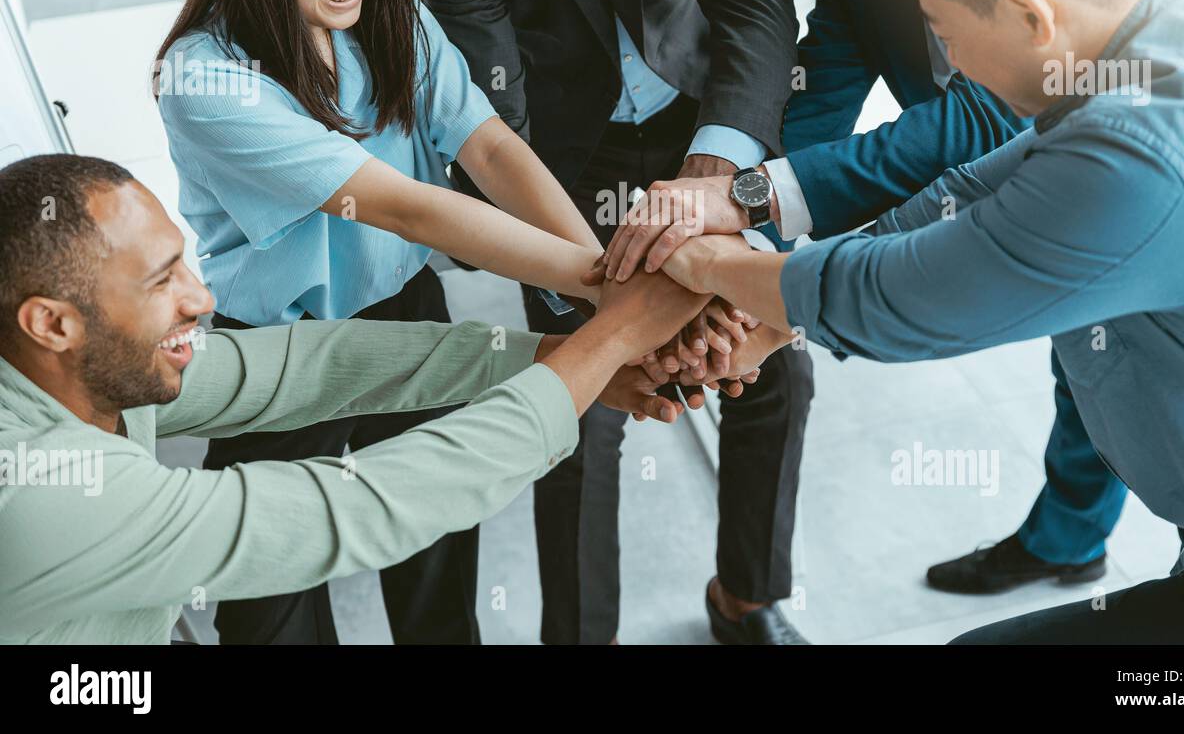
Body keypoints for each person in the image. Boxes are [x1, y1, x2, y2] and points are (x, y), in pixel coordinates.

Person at [626, 0, 1184, 643]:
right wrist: (766, 307)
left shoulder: (1142, 160)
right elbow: (969, 193)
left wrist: (704, 265)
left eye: (945, 35)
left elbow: (896, 298)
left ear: (1030, 17)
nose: (950, 67)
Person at [151, 0, 669, 645]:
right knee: (273, 603)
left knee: (435, 562)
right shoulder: (205, 78)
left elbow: (490, 147)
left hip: (406, 314)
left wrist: (607, 287)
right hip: (281, 352)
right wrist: (611, 294)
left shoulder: (387, 8)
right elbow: (405, 205)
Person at [0, 154, 742, 644]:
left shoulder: (81, 368)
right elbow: (356, 507)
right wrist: (610, 338)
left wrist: (549, 356)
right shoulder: (41, 492)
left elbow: (312, 366)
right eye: (162, 281)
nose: (200, 298)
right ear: (52, 324)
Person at [412, 0, 815, 645]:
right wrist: (615, 304)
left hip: (706, 127)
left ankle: (747, 597)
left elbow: (752, 1)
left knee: (770, 362)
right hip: (559, 173)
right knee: (581, 407)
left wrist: (709, 202)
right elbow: (495, 135)